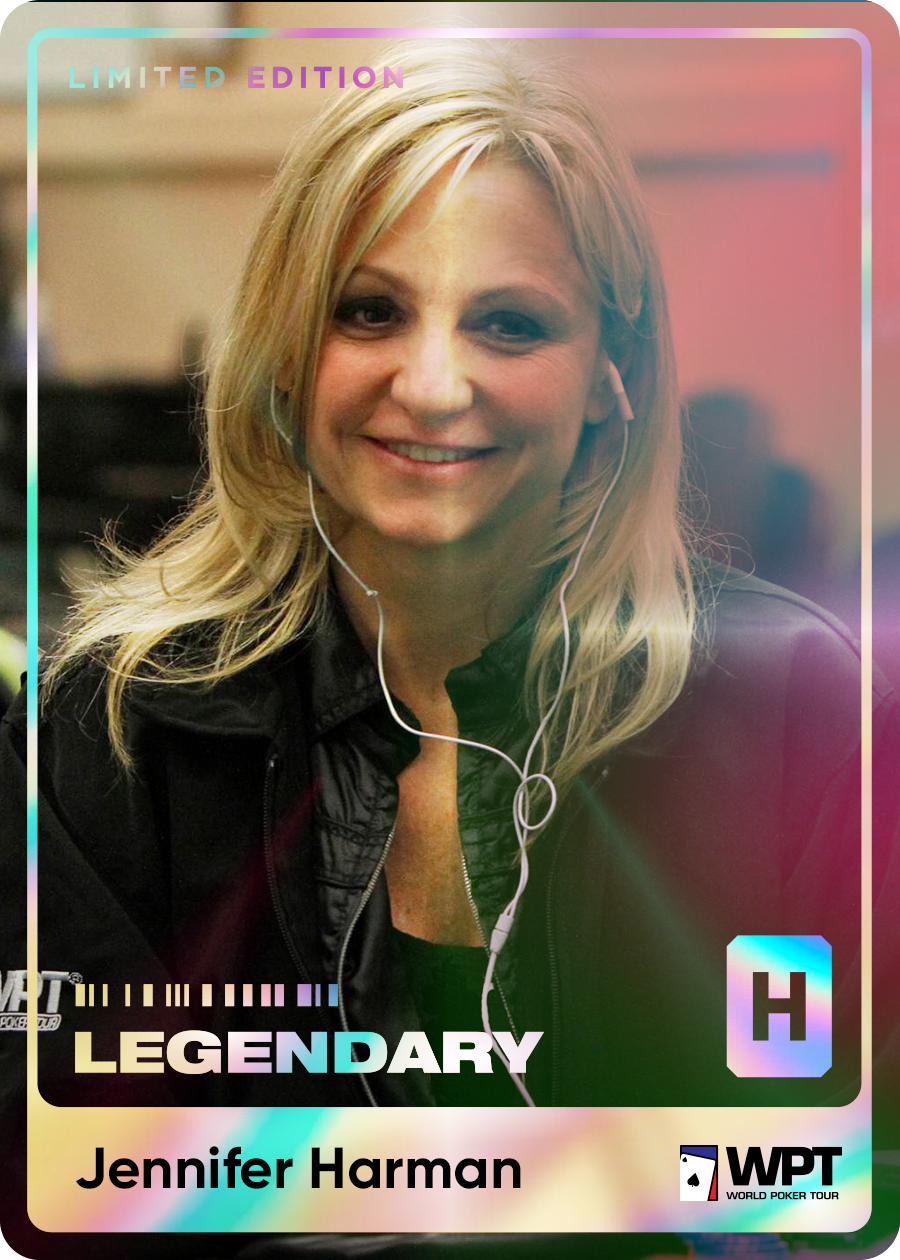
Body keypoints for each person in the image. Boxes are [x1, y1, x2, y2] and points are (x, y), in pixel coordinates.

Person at [1, 36, 897, 1259]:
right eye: (369, 311)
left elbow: (849, 1176)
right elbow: (69, 1183)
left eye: (510, 324)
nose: (431, 386)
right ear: (282, 351)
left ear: (613, 378)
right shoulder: (107, 728)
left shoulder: (804, 717)